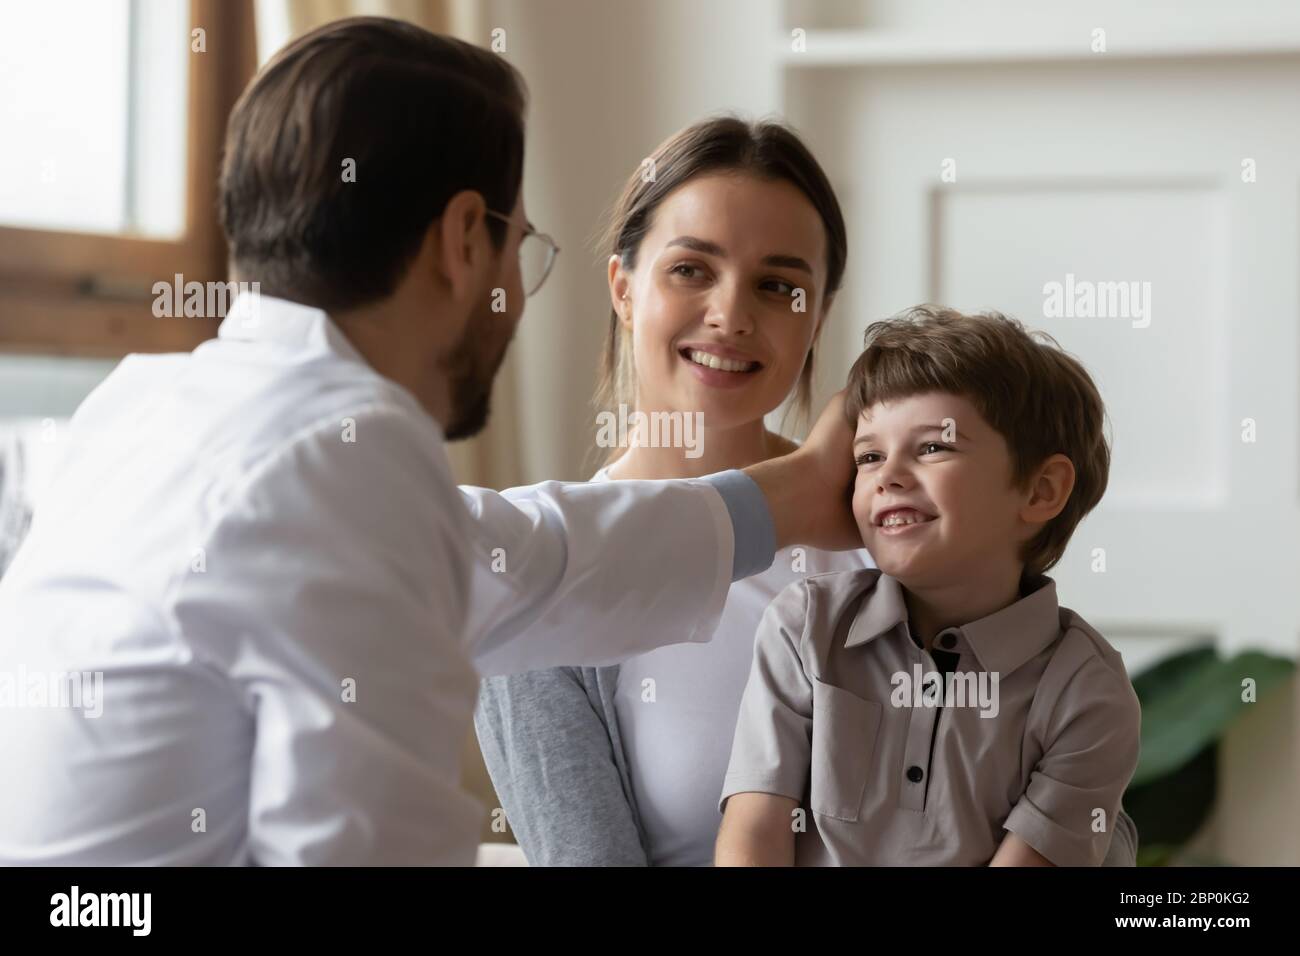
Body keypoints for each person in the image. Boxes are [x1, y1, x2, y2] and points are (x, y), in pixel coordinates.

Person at [0, 18, 858, 866]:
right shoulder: (340, 456)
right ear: (460, 241)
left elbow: (531, 559)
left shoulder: (144, 404)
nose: (515, 297)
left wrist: (793, 494)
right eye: (519, 248)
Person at [475, 117, 876, 866]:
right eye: (692, 269)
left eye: (778, 285)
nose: (732, 314)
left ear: (817, 318)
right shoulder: (535, 590)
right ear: (624, 288)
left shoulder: (889, 539)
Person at [716, 307, 1142, 866]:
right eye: (868, 456)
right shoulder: (803, 626)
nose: (887, 475)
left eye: (932, 447)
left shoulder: (1087, 692)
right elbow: (754, 836)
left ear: (1041, 490)